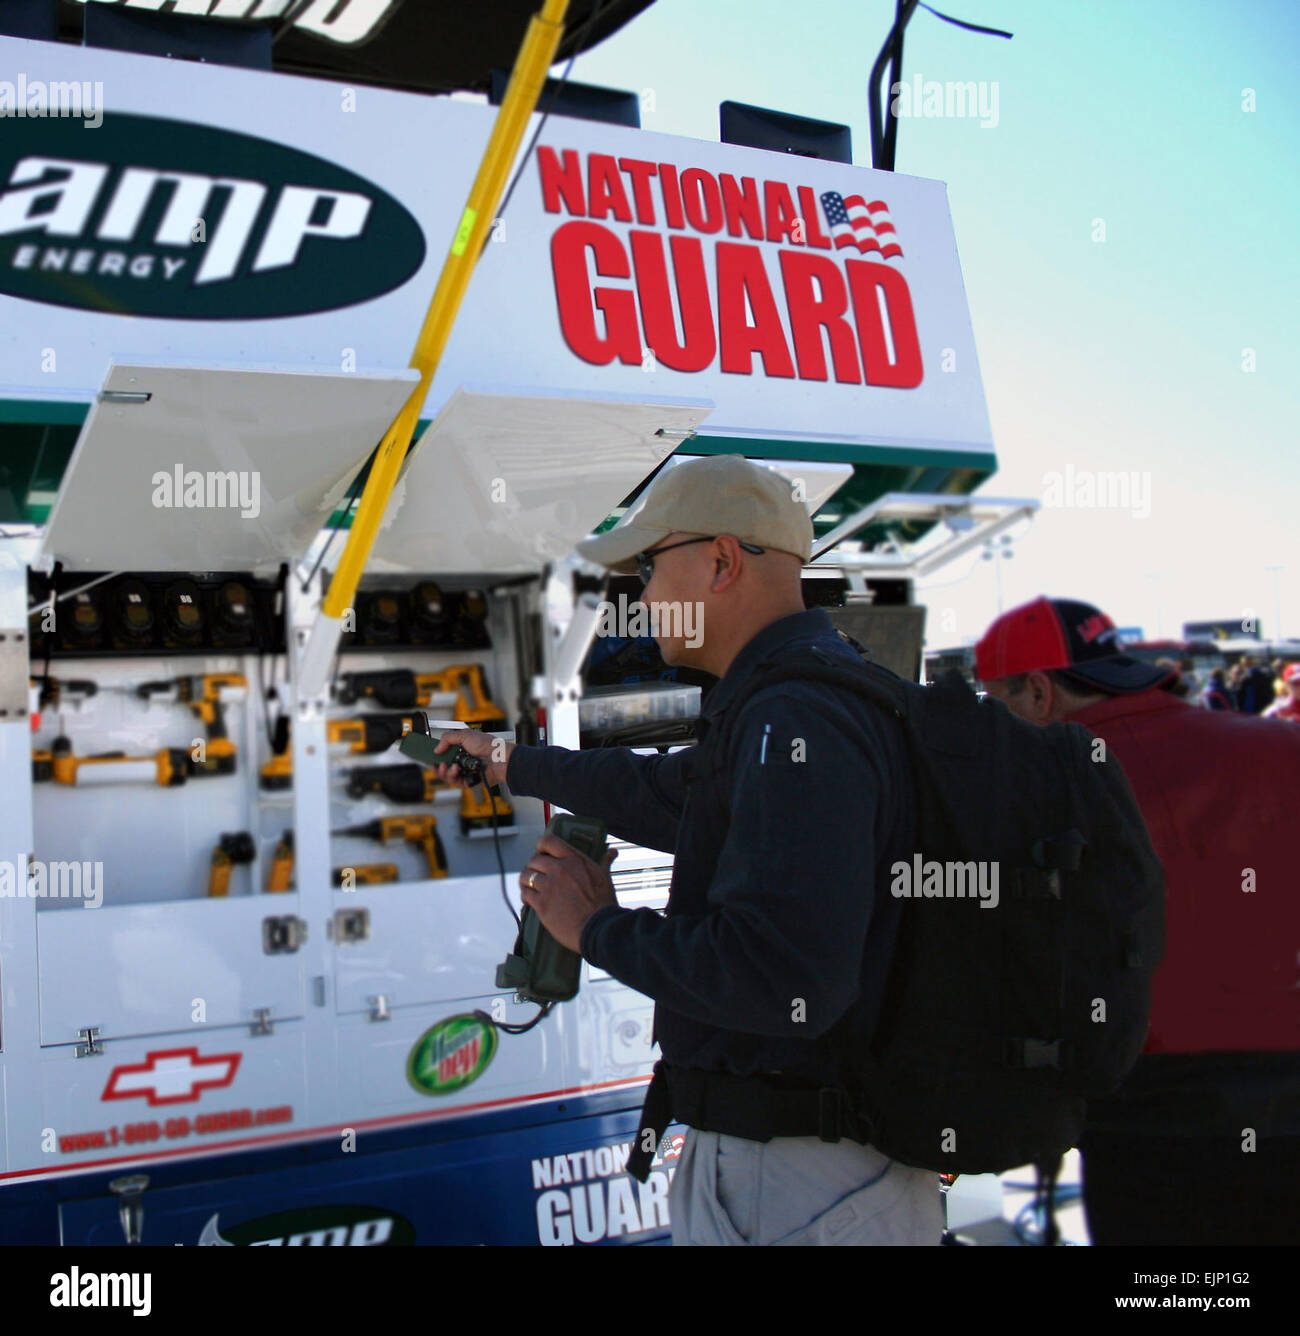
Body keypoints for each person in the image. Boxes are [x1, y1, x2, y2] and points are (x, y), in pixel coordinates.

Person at [434, 453, 941, 1246]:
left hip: (799, 1175)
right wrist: (507, 760)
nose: (640, 595)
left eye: (647, 566)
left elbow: (782, 980)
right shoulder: (800, 696)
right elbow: (668, 796)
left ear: (721, 560)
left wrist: (596, 925)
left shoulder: (794, 719)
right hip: (804, 1165)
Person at [975, 597, 1300, 1246]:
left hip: (1148, 1116)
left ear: (1038, 692)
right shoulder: (1279, 743)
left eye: (995, 702)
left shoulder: (1034, 789)